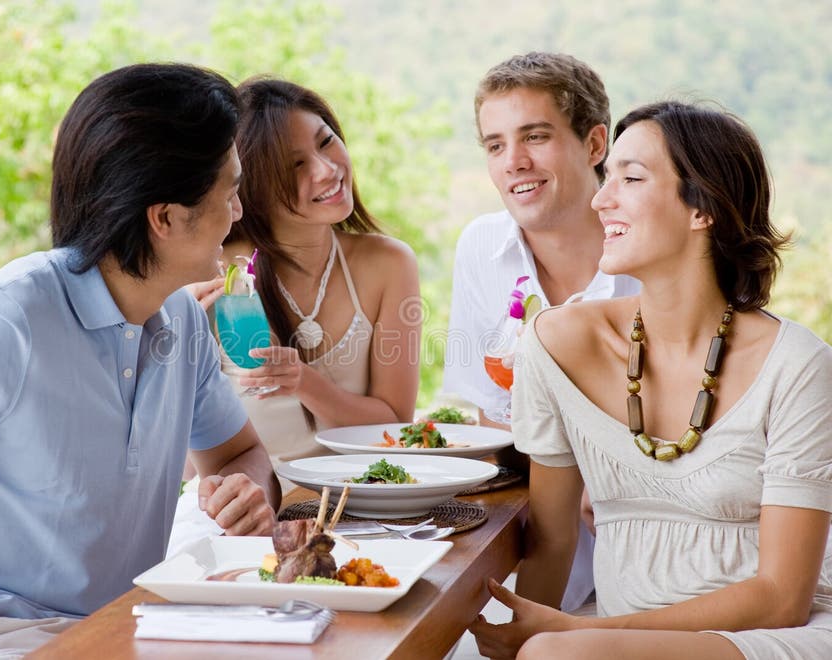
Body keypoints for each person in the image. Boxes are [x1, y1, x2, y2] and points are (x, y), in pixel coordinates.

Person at [0, 62, 280, 659]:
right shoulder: (0, 322)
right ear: (166, 218)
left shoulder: (181, 321)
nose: (238, 211)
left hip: (116, 633)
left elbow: (238, 453)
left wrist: (244, 490)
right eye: (229, 192)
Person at [469, 101, 832, 659]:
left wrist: (572, 635)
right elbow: (553, 538)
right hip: (620, 641)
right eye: (606, 175)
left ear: (702, 208)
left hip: (779, 634)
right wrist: (529, 635)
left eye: (630, 178)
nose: (600, 199)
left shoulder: (798, 365)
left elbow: (782, 597)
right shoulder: (556, 344)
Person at [444, 51, 640, 612]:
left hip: (647, 522)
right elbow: (492, 418)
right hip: (537, 519)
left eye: (535, 136)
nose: (514, 162)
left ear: (596, 144)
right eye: (495, 145)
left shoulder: (652, 244)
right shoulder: (482, 247)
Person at [201, 77, 421, 470]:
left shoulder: (389, 263)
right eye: (295, 165)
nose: (326, 170)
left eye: (325, 142)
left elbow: (393, 426)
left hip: (362, 501)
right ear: (252, 187)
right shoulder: (217, 274)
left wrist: (303, 381)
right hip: (249, 509)